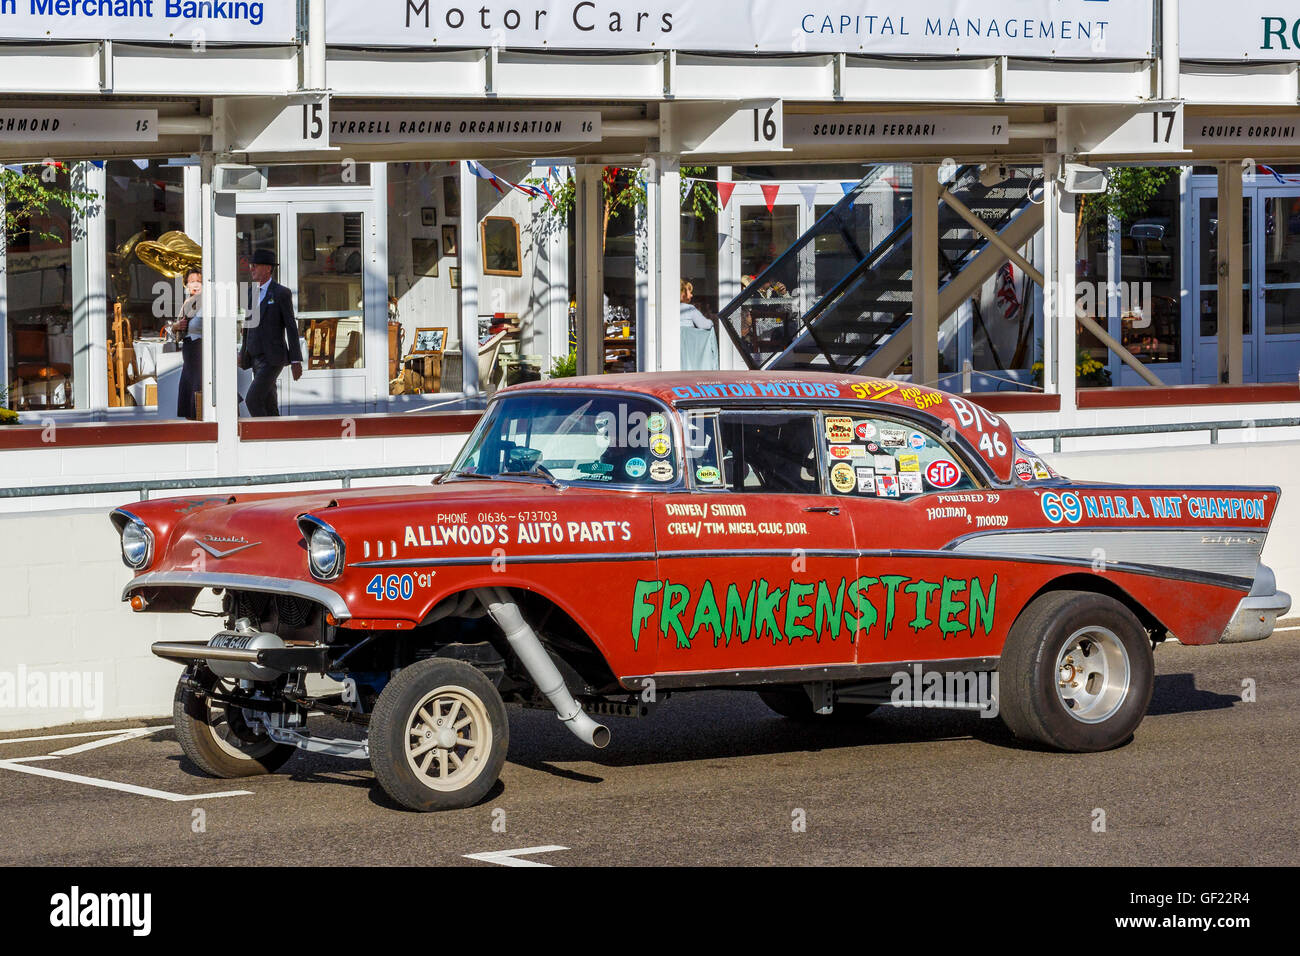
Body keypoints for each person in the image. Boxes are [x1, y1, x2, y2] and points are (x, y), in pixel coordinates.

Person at [240, 248, 302, 417]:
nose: (251, 268)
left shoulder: (281, 292)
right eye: (251, 265)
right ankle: (278, 437)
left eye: (255, 265)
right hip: (254, 356)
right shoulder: (249, 292)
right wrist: (242, 352)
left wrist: (296, 359)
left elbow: (291, 327)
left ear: (267, 268)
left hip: (273, 358)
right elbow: (247, 327)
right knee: (269, 403)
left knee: (252, 400)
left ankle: (262, 436)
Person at [171, 268, 203, 421]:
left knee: (198, 391)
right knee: (189, 391)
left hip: (200, 352)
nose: (195, 285)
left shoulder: (207, 302)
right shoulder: (187, 303)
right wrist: (176, 326)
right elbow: (176, 330)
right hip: (189, 353)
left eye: (199, 281)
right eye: (192, 282)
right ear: (186, 285)